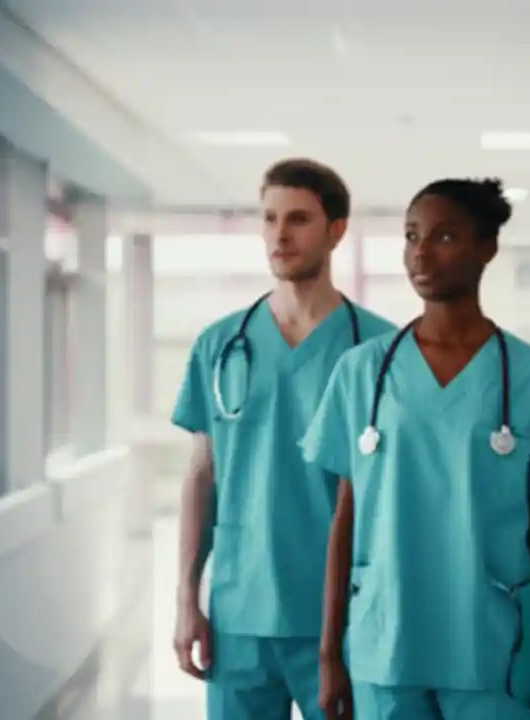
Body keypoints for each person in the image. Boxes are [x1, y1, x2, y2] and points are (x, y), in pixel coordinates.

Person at [304, 178, 530, 720]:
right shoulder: (363, 371)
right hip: (387, 643)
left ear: (487, 248)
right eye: (412, 236)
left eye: (445, 236)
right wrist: (327, 654)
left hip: (492, 640)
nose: (422, 252)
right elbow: (346, 516)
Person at [170, 158, 395, 720]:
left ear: (336, 230)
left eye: (298, 219)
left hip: (342, 616)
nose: (279, 234)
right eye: (269, 219)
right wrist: (185, 599)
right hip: (238, 614)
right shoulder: (221, 344)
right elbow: (202, 475)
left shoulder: (381, 350)